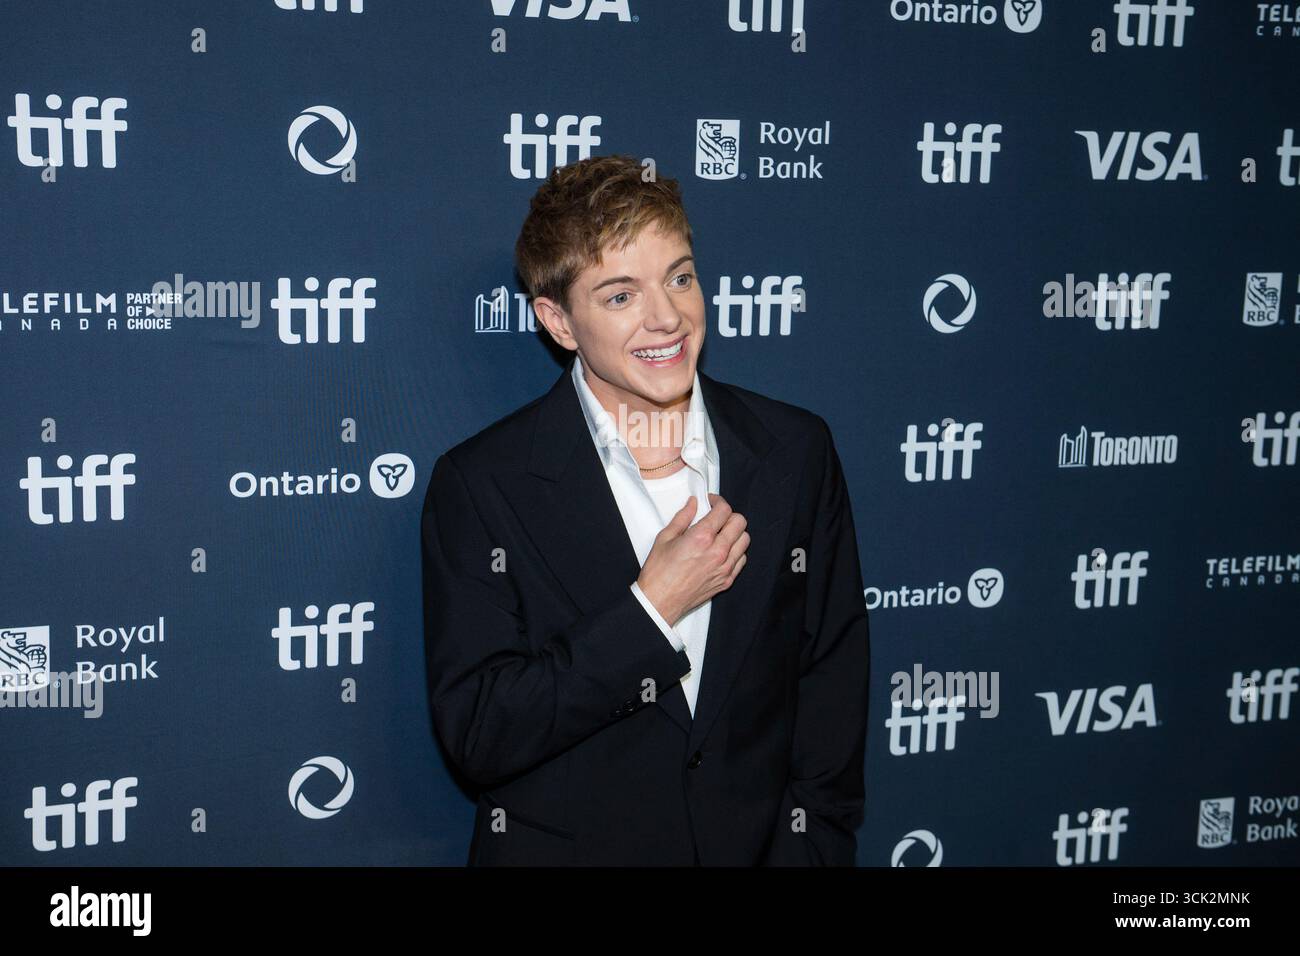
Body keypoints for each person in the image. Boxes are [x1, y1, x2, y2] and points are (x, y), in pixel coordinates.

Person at [421, 154, 869, 865]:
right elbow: (481, 733)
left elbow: (831, 691)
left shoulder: (794, 451)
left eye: (680, 277)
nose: (669, 318)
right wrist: (650, 611)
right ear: (559, 322)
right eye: (621, 295)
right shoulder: (482, 487)